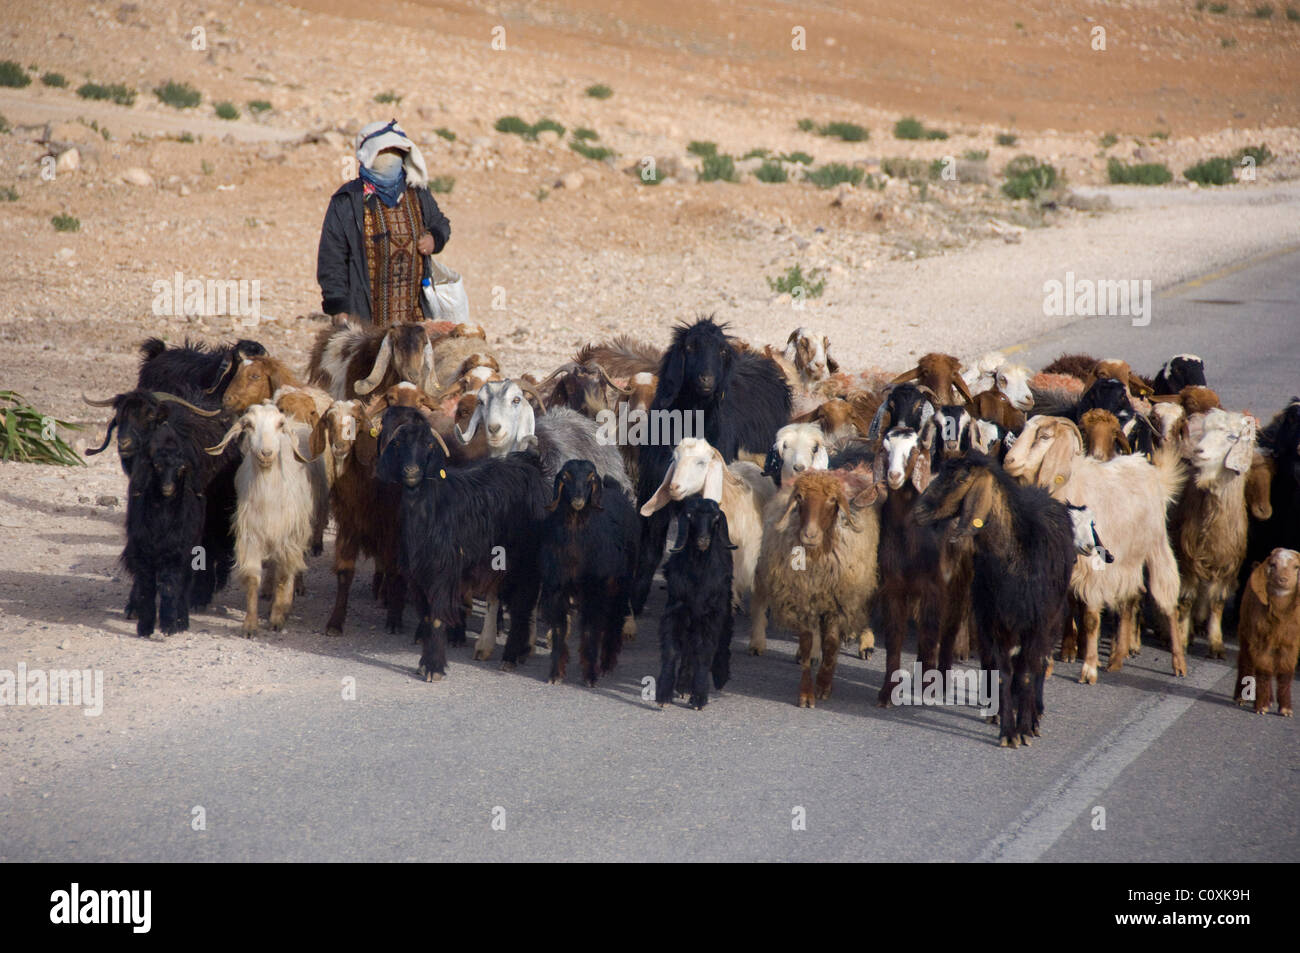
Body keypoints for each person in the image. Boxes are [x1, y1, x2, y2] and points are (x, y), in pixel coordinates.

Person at [316, 119, 451, 327]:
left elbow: (440, 223)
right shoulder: (347, 200)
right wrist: (338, 306)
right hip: (365, 315)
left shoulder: (417, 191)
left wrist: (435, 238)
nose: (389, 159)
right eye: (383, 152)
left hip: (414, 315)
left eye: (395, 151)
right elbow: (332, 256)